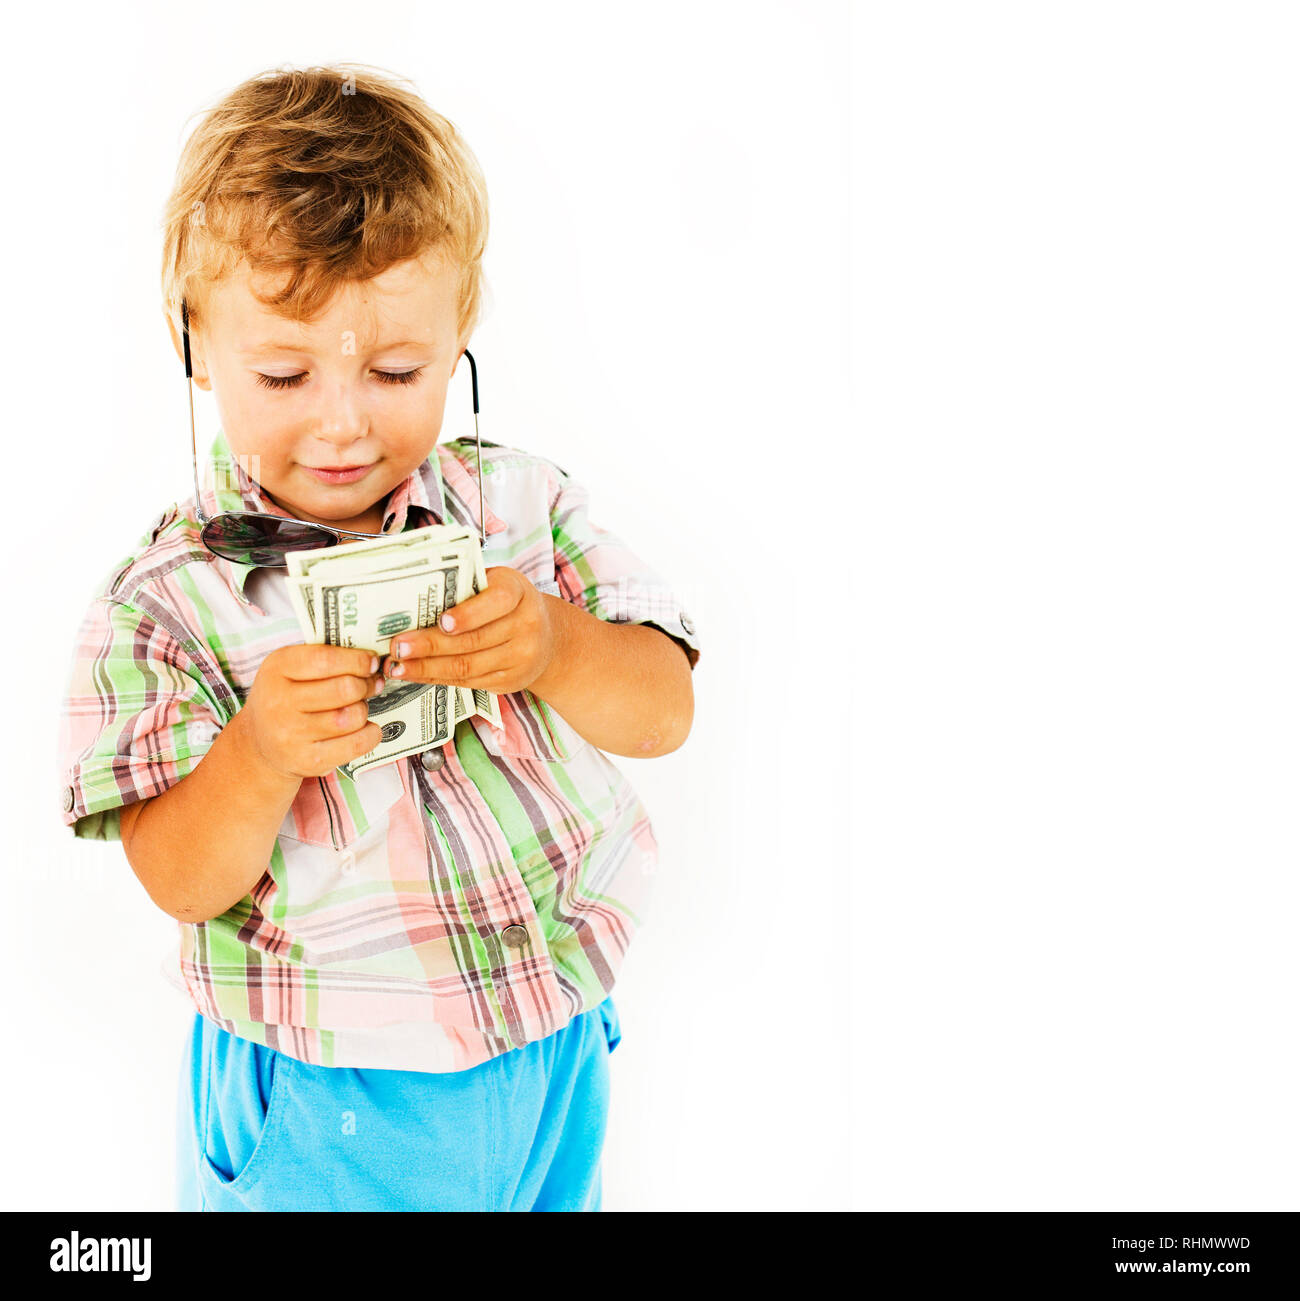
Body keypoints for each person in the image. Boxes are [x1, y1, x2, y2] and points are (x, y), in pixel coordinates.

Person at [55, 62, 700, 1212]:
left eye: (398, 370)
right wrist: (258, 753)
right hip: (331, 1080)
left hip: (549, 1038)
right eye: (285, 372)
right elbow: (177, 874)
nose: (345, 421)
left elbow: (664, 710)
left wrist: (554, 644)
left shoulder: (519, 509)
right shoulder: (169, 600)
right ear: (193, 346)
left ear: (461, 333)